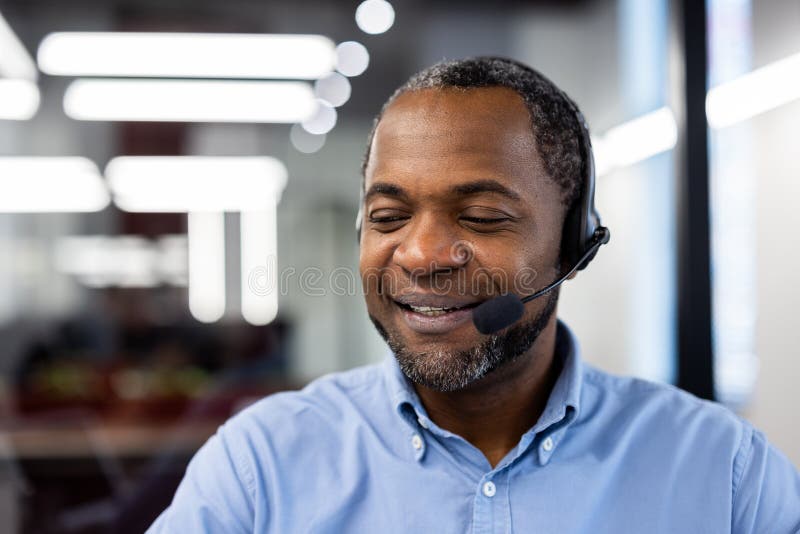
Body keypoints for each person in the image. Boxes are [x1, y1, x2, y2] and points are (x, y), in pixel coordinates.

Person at [148, 57, 800, 533]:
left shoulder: (725, 474)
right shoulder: (260, 468)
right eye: (388, 217)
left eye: (483, 216)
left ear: (575, 246)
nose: (422, 256)